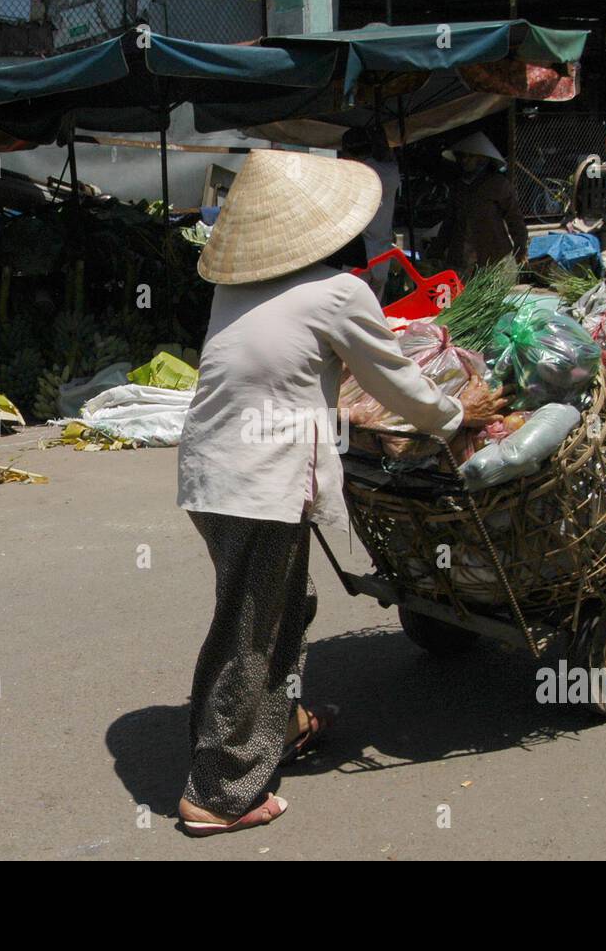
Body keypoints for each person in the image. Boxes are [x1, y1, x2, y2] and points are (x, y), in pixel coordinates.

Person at [175, 149, 505, 835]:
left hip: (211, 476)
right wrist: (455, 418)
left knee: (283, 603)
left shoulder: (236, 290)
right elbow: (393, 381)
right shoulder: (338, 293)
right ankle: (219, 792)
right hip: (258, 481)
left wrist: (342, 417)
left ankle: (283, 723)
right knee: (252, 627)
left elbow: (276, 378)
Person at [430, 131, 528, 275]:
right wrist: (436, 251)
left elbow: (514, 219)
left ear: (483, 159)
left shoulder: (498, 185)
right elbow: (449, 222)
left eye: (470, 156)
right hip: (461, 258)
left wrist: (520, 249)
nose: (465, 160)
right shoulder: (458, 187)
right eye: (462, 156)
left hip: (493, 257)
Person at [340, 124, 400, 299]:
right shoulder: (390, 172)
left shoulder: (353, 175)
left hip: (358, 257)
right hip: (381, 254)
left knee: (356, 308)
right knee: (374, 307)